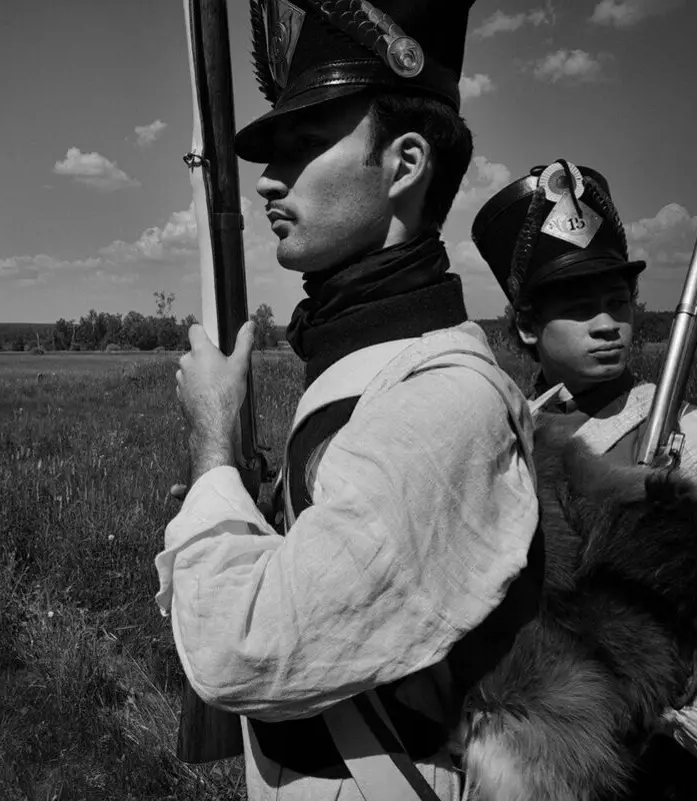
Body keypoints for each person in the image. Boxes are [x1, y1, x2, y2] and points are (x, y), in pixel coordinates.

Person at [157, 2, 543, 799]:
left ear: (404, 166)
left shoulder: (446, 400)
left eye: (302, 146)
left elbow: (241, 644)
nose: (268, 178)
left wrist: (213, 455)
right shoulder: (370, 364)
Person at [471, 160, 697, 798]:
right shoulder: (504, 437)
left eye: (617, 302)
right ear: (526, 325)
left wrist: (644, 742)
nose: (608, 324)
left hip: (643, 768)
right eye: (580, 309)